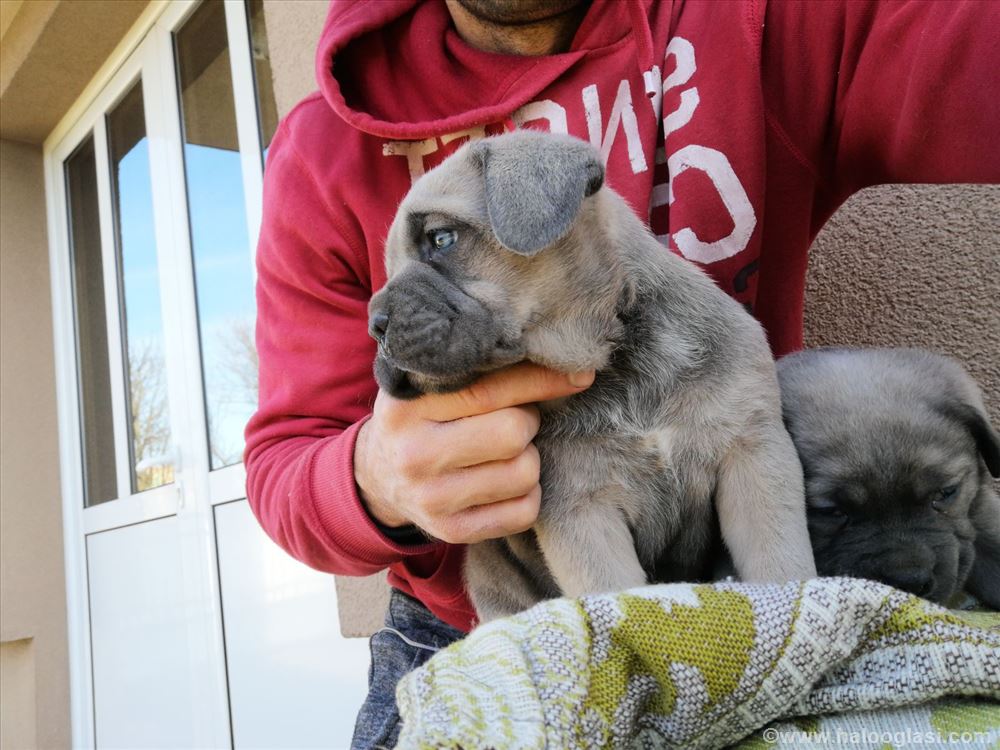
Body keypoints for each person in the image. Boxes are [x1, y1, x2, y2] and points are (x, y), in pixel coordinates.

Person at [242, 1, 1000, 747]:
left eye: (441, 244)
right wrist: (375, 475)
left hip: (743, 579)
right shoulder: (320, 149)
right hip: (468, 627)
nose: (394, 302)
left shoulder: (759, 18)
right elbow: (284, 459)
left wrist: (793, 633)